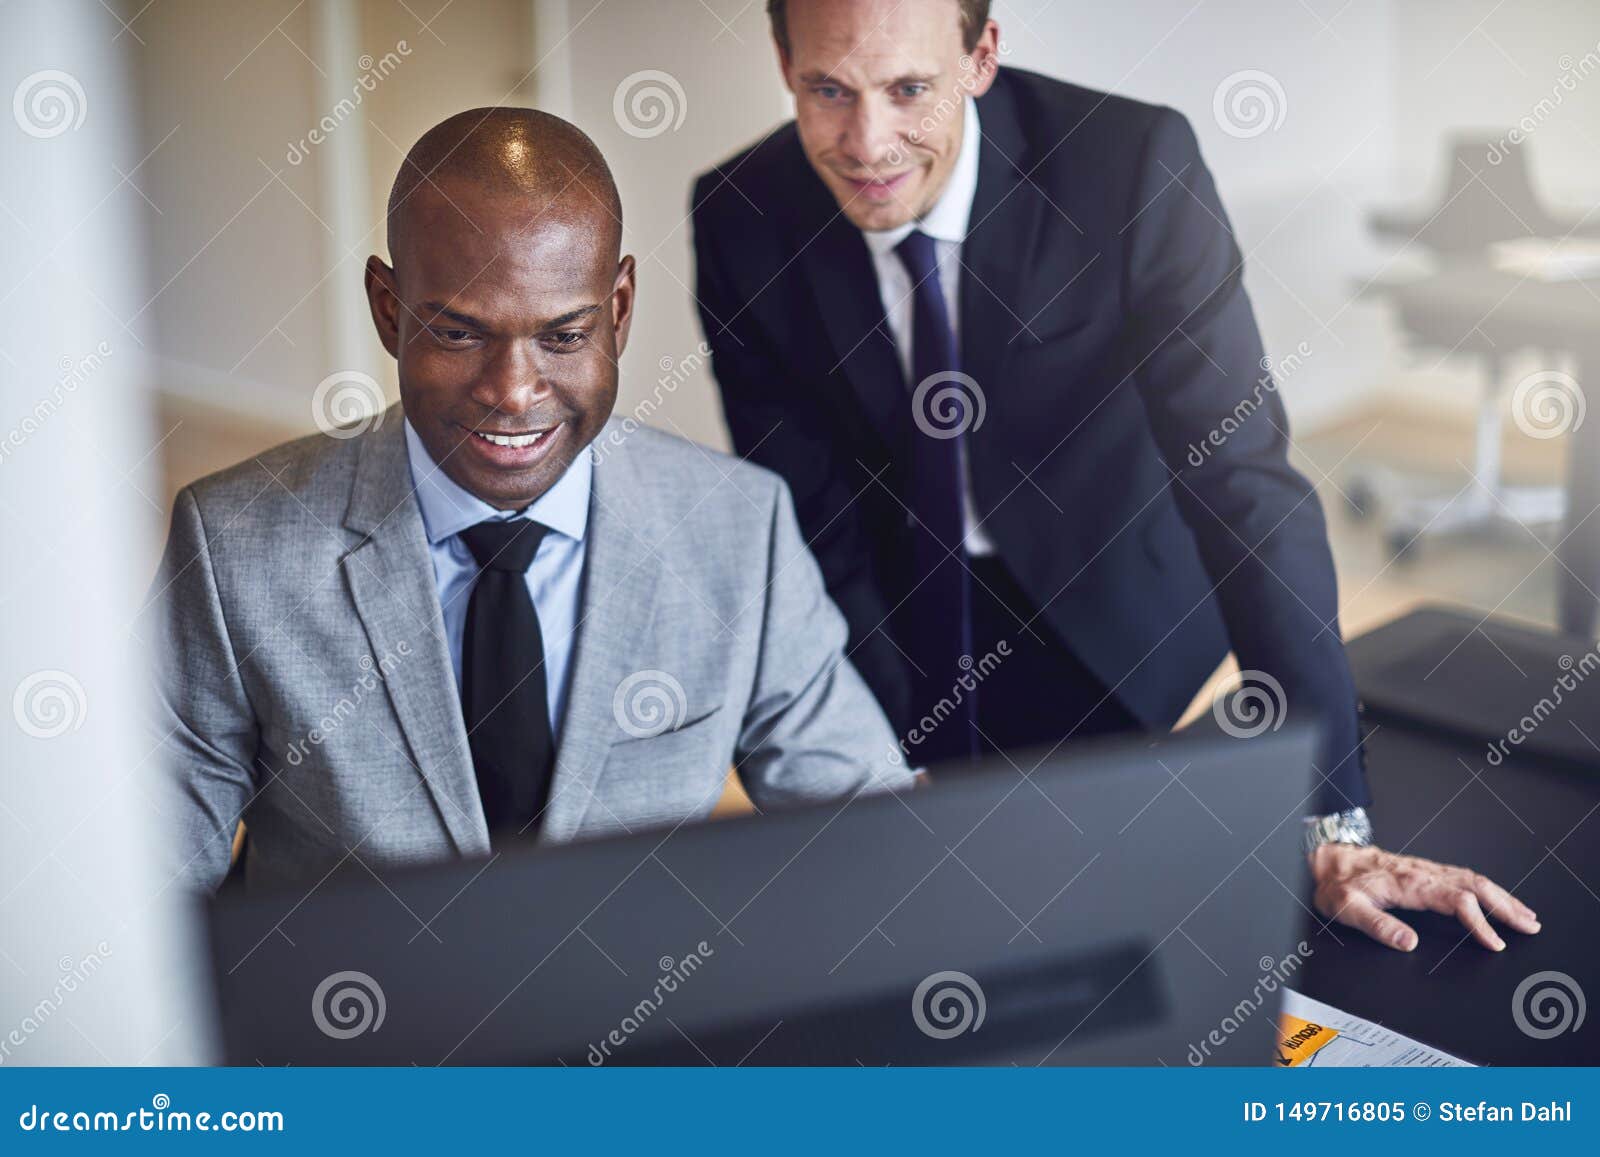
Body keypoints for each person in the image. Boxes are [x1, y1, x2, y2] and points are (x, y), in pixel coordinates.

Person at [690, 0, 1540, 953]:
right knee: (925, 919)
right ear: (781, 61)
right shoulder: (739, 216)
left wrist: (1331, 817)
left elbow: (1241, 479)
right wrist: (888, 747)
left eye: (910, 90)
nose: (867, 142)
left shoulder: (1128, 165)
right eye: (828, 91)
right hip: (898, 603)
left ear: (983, 56)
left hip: (1108, 602)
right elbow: (812, 515)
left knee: (1100, 916)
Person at [146, 108, 910, 894]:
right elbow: (140, 891)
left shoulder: (740, 530)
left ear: (617, 310)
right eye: (457, 334)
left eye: (564, 337)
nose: (512, 394)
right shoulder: (230, 549)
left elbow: (869, 842)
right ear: (387, 308)